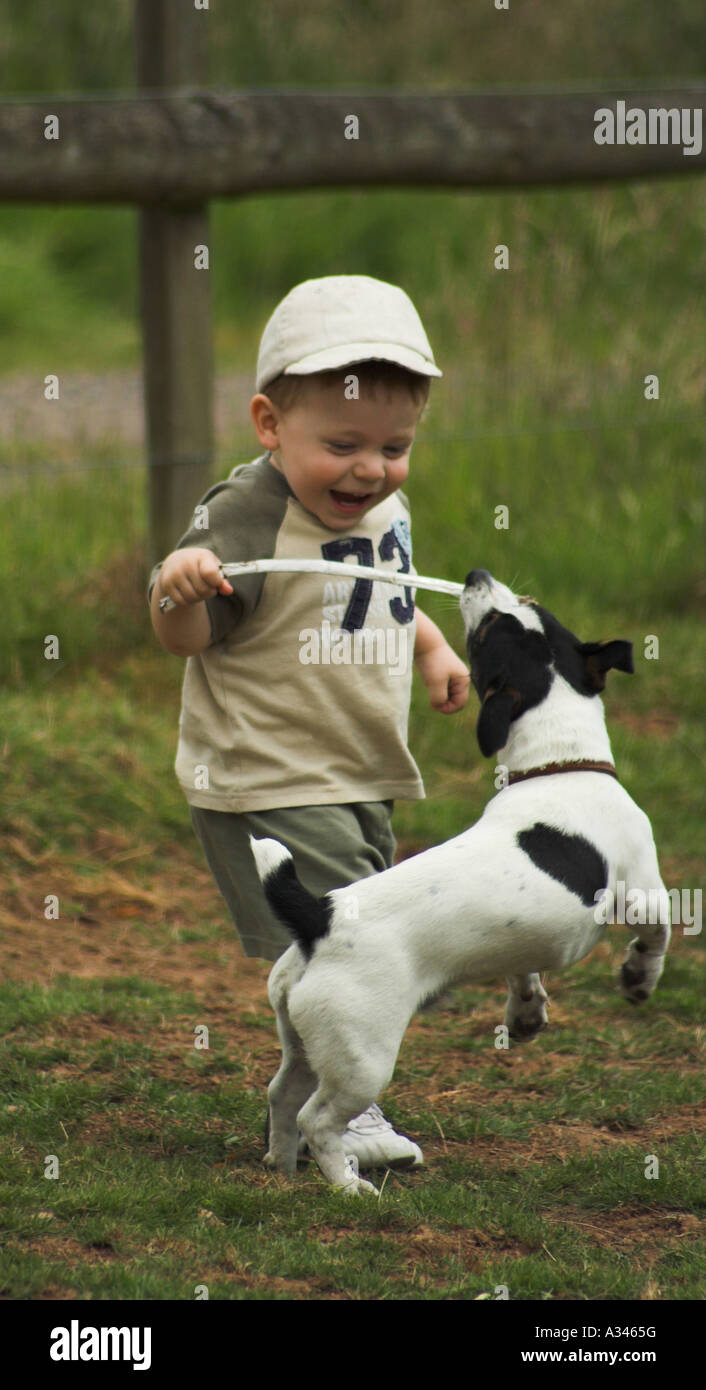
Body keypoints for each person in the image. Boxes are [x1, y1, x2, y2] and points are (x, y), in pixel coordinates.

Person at [148, 275, 470, 1169]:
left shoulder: (381, 509)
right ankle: (347, 1111)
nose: (371, 469)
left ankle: (295, 1113)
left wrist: (433, 650)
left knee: (345, 946)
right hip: (273, 773)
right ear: (268, 425)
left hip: (359, 768)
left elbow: (381, 599)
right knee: (358, 945)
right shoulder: (250, 514)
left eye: (395, 446)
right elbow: (188, 637)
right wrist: (177, 591)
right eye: (343, 444)